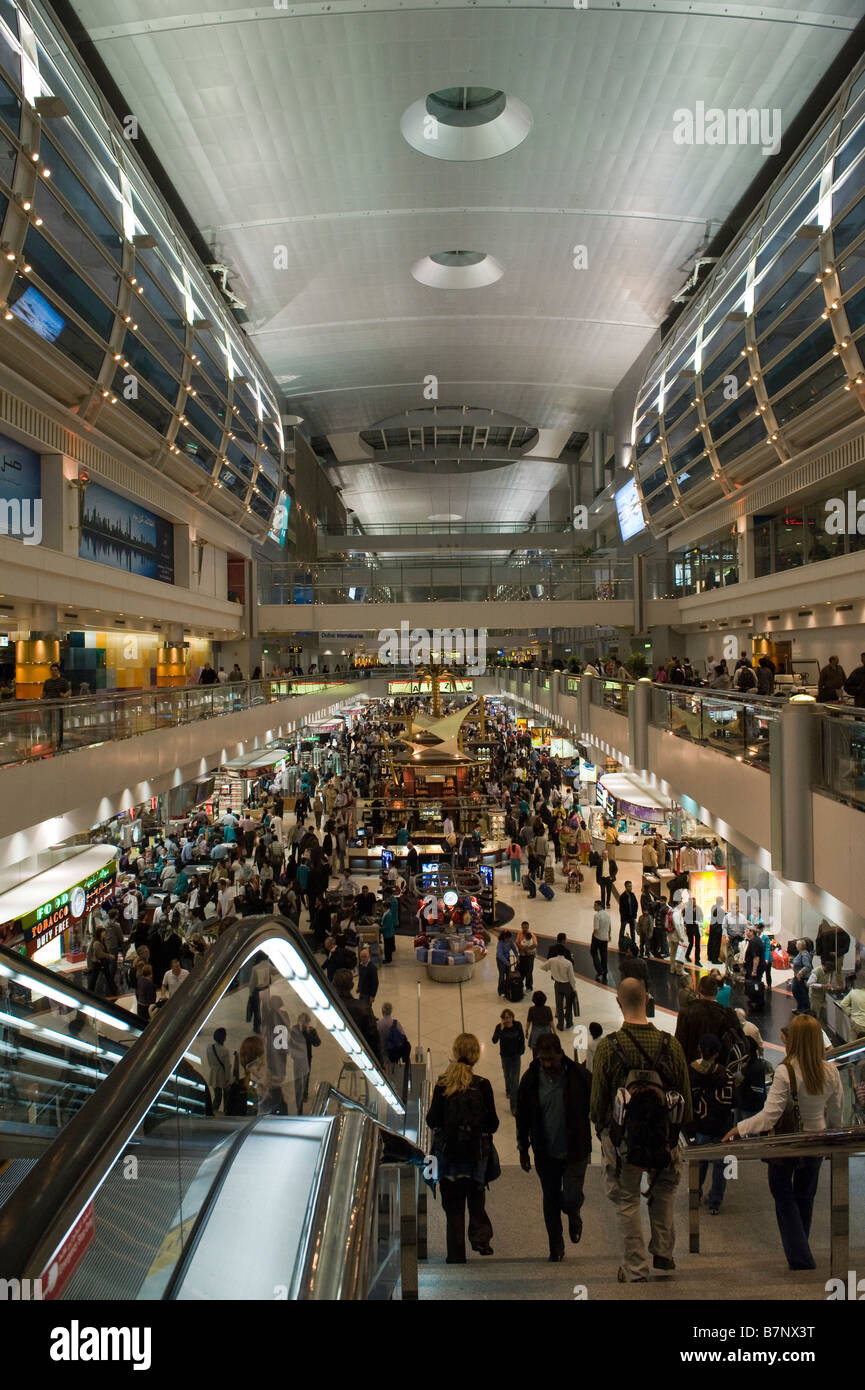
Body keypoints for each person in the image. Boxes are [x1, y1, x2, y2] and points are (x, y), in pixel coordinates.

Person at [590, 977, 692, 1283]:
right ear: (647, 999)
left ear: (619, 1003)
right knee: (663, 1192)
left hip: (624, 1143)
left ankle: (635, 1268)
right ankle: (663, 1252)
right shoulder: (671, 1045)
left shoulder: (609, 1048)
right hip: (664, 1138)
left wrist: (603, 1129)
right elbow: (684, 1095)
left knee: (627, 1199)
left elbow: (597, 1104)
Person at [724, 1014, 843, 1270]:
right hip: (817, 1142)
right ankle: (801, 1249)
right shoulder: (831, 1071)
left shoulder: (785, 1071)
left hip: (787, 1142)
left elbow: (770, 1116)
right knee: (805, 1196)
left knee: (782, 1193)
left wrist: (740, 1127)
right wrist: (833, 1142)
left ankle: (800, 1257)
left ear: (794, 1040)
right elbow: (836, 1114)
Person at [516, 1033, 592, 1261]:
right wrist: (523, 1148)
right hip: (545, 1151)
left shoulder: (579, 1076)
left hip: (575, 1149)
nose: (547, 1064)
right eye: (543, 1059)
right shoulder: (530, 1080)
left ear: (561, 1053)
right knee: (550, 1199)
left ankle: (574, 1213)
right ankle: (556, 1247)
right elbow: (523, 1117)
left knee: (570, 1197)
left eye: (551, 1059)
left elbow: (596, 1105)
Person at [425, 1034, 499, 1263]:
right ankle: (480, 1239)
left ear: (455, 1052)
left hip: (449, 1159)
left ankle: (456, 1256)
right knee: (476, 1199)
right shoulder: (483, 1085)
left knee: (453, 1209)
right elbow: (493, 1124)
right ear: (476, 1055)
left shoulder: (442, 1084)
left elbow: (431, 1120)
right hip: (475, 1158)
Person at [686, 1033, 734, 1215]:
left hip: (702, 1126)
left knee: (700, 1163)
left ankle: (695, 1194)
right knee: (721, 1167)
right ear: (717, 1053)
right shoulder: (726, 1074)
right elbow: (734, 1101)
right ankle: (715, 1202)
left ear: (699, 1049)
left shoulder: (693, 1072)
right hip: (723, 1128)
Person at [675, 970, 744, 1064]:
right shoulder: (727, 1014)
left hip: (691, 1066)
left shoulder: (686, 1013)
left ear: (699, 991)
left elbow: (679, 1043)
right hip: (719, 1067)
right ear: (716, 992)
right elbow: (740, 1040)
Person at [332, 968, 382, 1060]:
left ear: (333, 985)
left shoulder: (329, 1006)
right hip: (362, 1054)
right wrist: (380, 1062)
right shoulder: (363, 1008)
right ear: (352, 985)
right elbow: (373, 1039)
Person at [492, 1008, 526, 1116]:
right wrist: (501, 1029)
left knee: (515, 1081)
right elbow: (494, 1040)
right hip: (505, 1057)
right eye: (505, 1018)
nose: (507, 1019)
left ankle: (513, 1106)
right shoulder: (499, 1027)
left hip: (516, 1057)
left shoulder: (517, 1025)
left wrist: (521, 1050)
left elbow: (521, 1037)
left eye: (509, 1017)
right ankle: (508, 1090)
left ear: (512, 1017)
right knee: (507, 1076)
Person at [538, 946, 579, 1031]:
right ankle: (569, 1023)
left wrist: (551, 970)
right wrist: (574, 988)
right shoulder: (568, 963)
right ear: (564, 953)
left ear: (557, 952)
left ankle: (560, 1024)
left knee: (559, 1005)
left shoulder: (552, 960)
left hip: (557, 985)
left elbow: (542, 967)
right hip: (567, 985)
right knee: (568, 1005)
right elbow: (572, 978)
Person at [377, 1002, 411, 1067]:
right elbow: (404, 1038)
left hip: (382, 1053)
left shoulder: (378, 1024)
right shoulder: (396, 1023)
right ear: (391, 1011)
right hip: (393, 1053)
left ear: (382, 1011)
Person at [207, 1027, 231, 1111]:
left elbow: (209, 1061)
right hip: (222, 1076)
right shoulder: (225, 1051)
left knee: (217, 1097)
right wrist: (228, 1080)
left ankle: (212, 1112)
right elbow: (227, 1067)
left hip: (213, 1074)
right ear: (223, 1038)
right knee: (227, 1097)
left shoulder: (209, 1047)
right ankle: (226, 1113)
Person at [838, 972, 865, 1038]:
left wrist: (850, 1013)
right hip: (863, 1023)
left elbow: (842, 1004)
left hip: (854, 1021)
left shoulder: (853, 992)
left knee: (852, 1042)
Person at [591, 899, 611, 984]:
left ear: (599, 906)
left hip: (597, 938)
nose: (594, 907)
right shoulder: (607, 914)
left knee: (593, 952)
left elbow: (596, 929)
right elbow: (610, 926)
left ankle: (599, 970)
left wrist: (593, 935)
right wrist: (609, 935)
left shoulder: (597, 915)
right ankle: (605, 972)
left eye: (595, 905)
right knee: (604, 955)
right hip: (605, 938)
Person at [515, 920, 537, 992]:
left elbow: (535, 944)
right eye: (523, 927)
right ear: (521, 927)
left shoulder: (531, 935)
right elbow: (517, 942)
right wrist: (521, 948)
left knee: (529, 971)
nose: (524, 929)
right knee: (521, 971)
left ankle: (529, 987)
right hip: (522, 956)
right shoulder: (519, 933)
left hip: (529, 956)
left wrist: (526, 949)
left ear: (528, 927)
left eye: (526, 928)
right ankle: (520, 985)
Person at [496, 929, 518, 997]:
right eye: (507, 938)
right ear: (503, 937)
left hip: (507, 958)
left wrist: (517, 957)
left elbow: (514, 949)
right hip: (501, 960)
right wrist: (507, 963)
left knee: (508, 975)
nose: (508, 939)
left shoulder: (510, 941)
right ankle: (500, 991)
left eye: (509, 938)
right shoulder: (500, 943)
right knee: (502, 975)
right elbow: (500, 955)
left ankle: (507, 988)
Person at [618, 879, 639, 953]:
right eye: (629, 886)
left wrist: (635, 914)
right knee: (622, 930)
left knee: (632, 931)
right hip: (625, 917)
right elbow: (621, 909)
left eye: (631, 886)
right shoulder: (622, 896)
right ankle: (620, 944)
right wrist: (623, 918)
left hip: (631, 916)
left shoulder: (632, 895)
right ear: (625, 886)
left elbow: (636, 904)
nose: (631, 888)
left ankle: (633, 943)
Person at [380, 894, 399, 964]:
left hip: (388, 933)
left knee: (387, 947)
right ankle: (388, 958)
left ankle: (388, 959)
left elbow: (387, 926)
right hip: (388, 933)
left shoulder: (388, 915)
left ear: (385, 907)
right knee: (388, 946)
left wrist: (380, 929)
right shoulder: (387, 913)